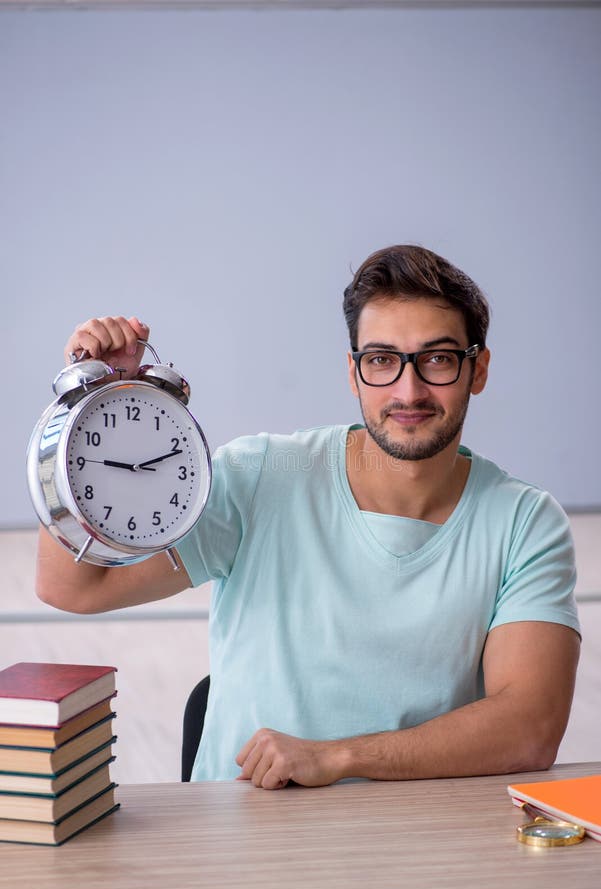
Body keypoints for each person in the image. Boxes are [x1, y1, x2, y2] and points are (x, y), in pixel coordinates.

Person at [36, 244, 580, 790]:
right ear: (354, 371)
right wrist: (92, 402)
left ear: (477, 369)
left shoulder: (524, 522)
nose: (408, 390)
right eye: (382, 360)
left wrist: (339, 757)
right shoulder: (260, 477)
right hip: (239, 844)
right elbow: (76, 587)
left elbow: (530, 728)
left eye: (437, 359)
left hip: (421, 848)